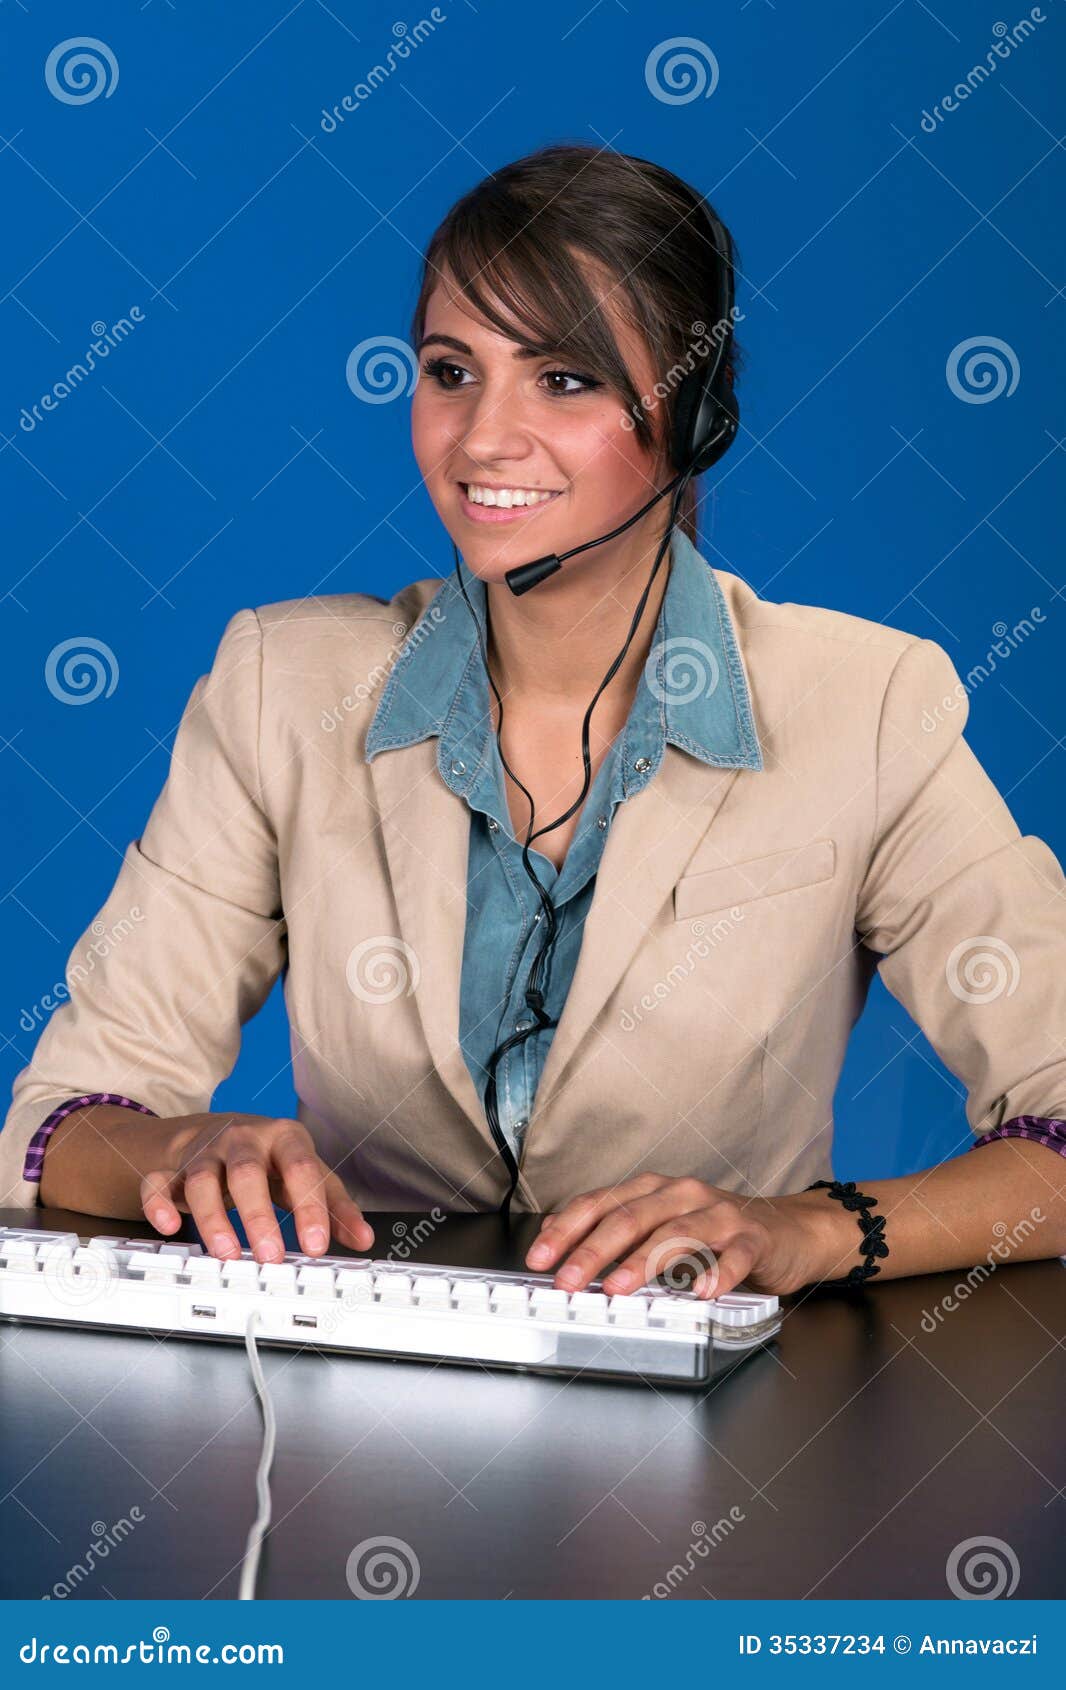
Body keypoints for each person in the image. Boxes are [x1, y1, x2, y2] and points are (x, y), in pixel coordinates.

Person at [3, 144, 1065, 1302]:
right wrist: (175, 1151)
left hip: (723, 1435)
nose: (481, 440)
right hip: (364, 1417)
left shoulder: (866, 708)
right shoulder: (281, 684)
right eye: (451, 370)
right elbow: (55, 1124)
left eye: (563, 379)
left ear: (695, 415)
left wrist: (808, 1230)